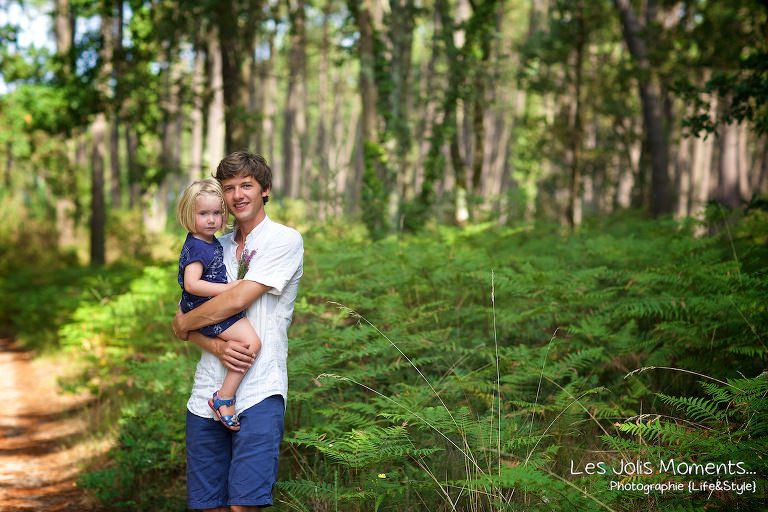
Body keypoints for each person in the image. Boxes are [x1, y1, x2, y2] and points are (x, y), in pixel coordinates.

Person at [172, 152, 304, 511]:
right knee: (207, 504)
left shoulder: (283, 240)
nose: (237, 195)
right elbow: (182, 318)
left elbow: (235, 301)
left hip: (260, 389)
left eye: (246, 185)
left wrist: (186, 323)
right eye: (229, 188)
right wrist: (212, 345)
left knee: (243, 504)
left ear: (265, 190)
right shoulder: (214, 241)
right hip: (206, 394)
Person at [176, 177, 262, 432]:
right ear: (188, 214)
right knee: (251, 343)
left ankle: (225, 395)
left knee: (240, 345)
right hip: (207, 309)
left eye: (217, 213)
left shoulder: (208, 241)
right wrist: (227, 289)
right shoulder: (197, 247)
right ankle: (224, 397)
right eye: (203, 214)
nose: (212, 220)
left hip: (207, 307)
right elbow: (191, 284)